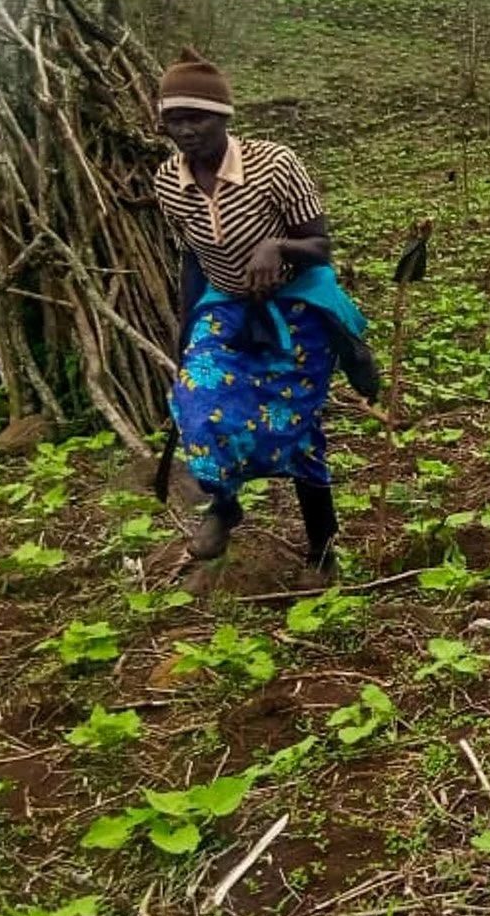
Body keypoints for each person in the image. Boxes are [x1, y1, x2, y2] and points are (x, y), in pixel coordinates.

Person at [153, 48, 376, 586]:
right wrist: (188, 328)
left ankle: (322, 548)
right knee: (199, 402)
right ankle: (224, 506)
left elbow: (320, 245)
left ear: (225, 118)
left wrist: (277, 246)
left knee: (292, 426)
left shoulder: (274, 165)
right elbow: (191, 256)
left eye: (197, 118)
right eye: (174, 121)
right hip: (225, 302)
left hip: (297, 301)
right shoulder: (168, 183)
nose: (186, 131)